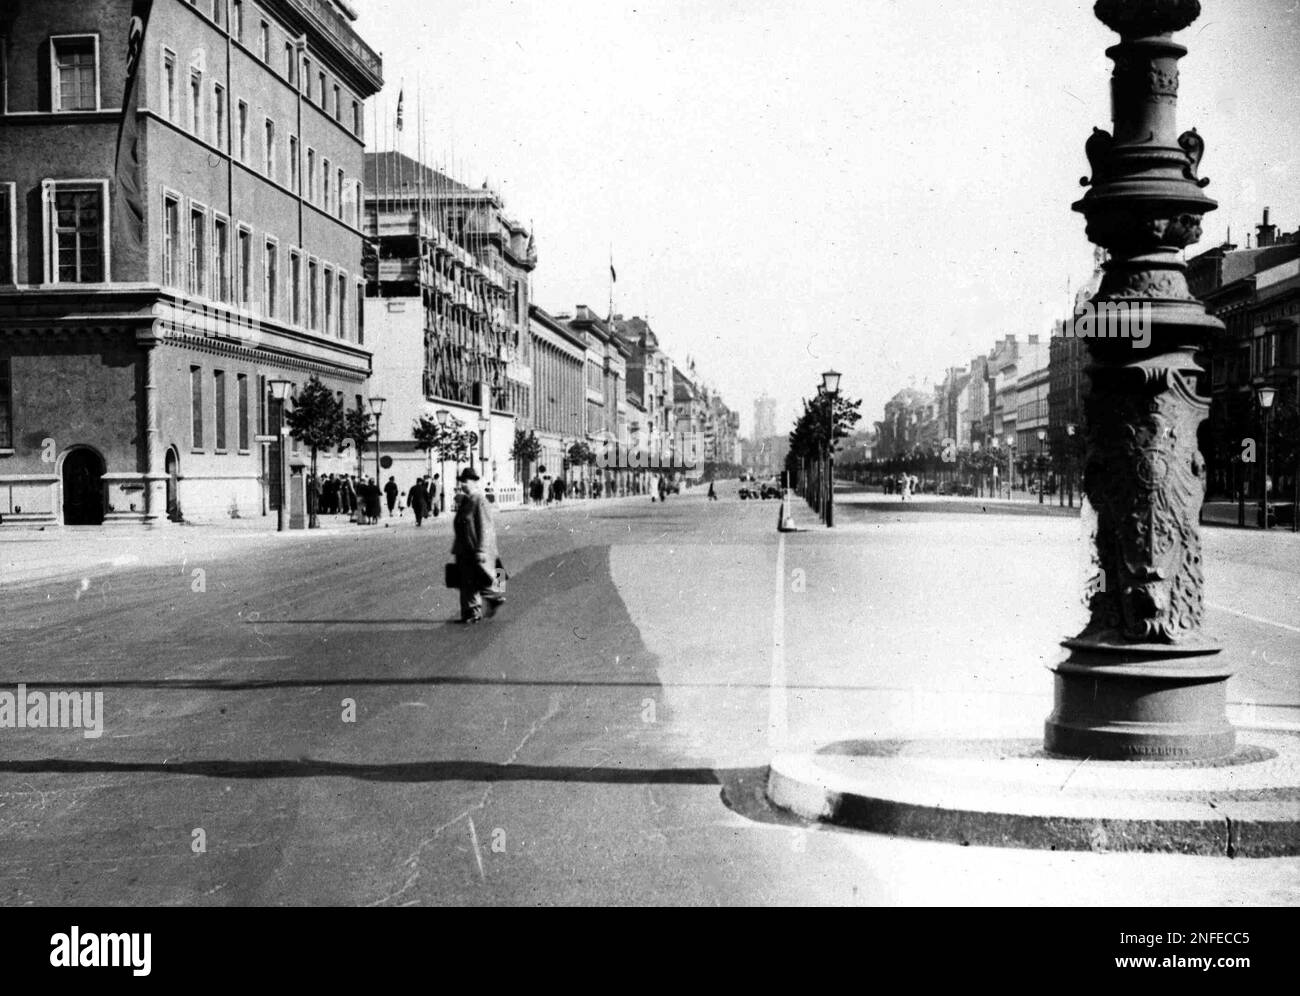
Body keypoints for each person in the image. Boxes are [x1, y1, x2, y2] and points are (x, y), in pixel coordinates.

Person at [451, 467, 505, 624]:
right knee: (466, 582)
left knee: (475, 580)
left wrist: (481, 550)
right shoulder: (467, 500)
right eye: (461, 482)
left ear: (475, 482)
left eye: (465, 481)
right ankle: (471, 613)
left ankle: (492, 599)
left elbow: (486, 527)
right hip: (463, 548)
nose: (462, 485)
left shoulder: (479, 500)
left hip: (474, 549)